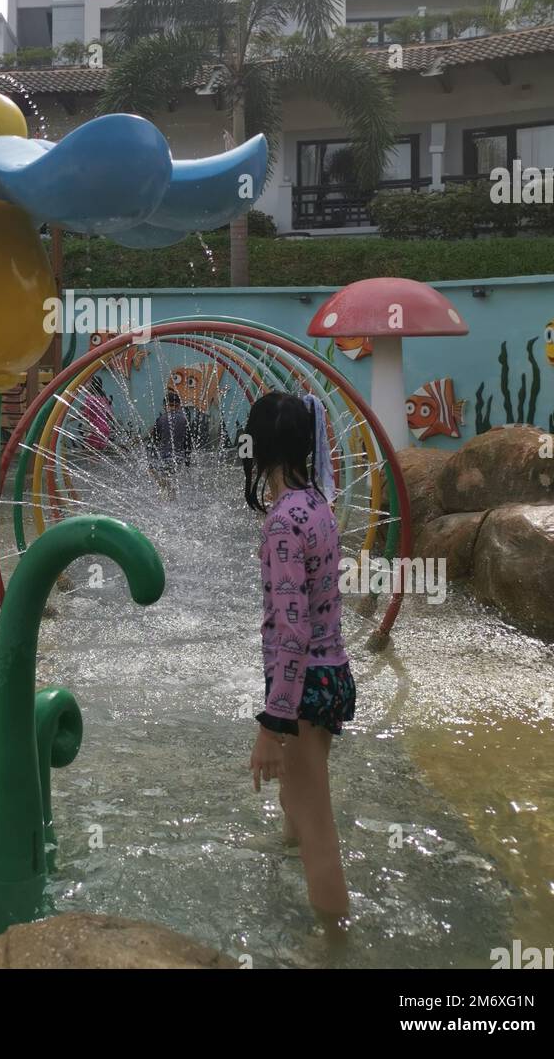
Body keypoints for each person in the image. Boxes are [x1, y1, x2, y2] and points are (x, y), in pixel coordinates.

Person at [241, 390, 352, 936]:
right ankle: (282, 864)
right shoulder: (318, 505)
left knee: (316, 824)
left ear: (258, 449)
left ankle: (334, 943)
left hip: (302, 686)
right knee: (301, 794)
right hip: (332, 676)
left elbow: (291, 631)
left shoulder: (284, 521)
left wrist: (272, 723)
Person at [150, 391, 188, 495]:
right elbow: (188, 442)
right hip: (179, 457)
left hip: (163, 457)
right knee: (173, 480)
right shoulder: (185, 420)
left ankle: (164, 501)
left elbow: (153, 442)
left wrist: (151, 461)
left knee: (162, 482)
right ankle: (172, 500)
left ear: (165, 406)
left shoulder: (161, 419)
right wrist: (187, 460)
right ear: (179, 405)